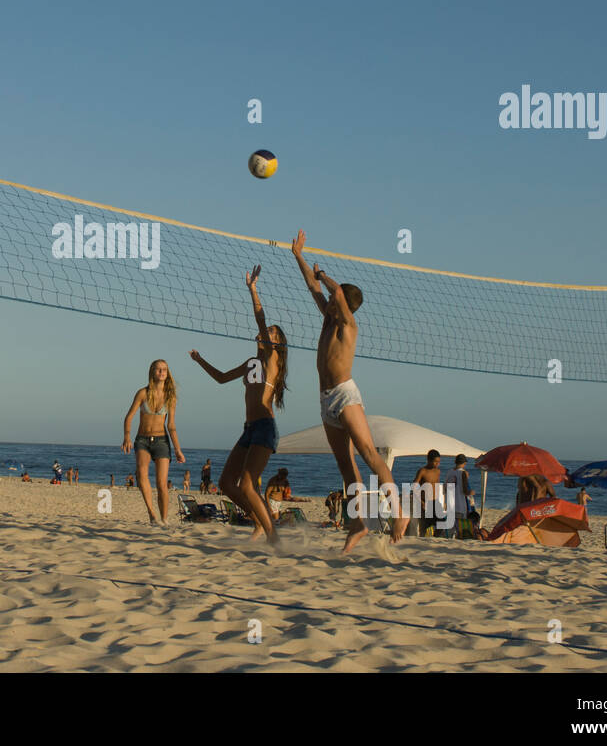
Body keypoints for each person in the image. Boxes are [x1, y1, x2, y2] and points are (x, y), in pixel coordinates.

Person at [290, 229, 407, 550]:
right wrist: (298, 255)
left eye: (331, 300)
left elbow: (335, 294)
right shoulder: (328, 319)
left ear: (342, 305)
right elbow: (313, 288)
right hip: (326, 400)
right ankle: (358, 523)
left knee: (369, 454)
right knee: (346, 466)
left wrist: (325, 274)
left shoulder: (347, 325)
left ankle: (399, 513)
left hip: (345, 394)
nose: (326, 301)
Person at [190, 264, 285, 545]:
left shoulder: (272, 360)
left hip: (265, 428)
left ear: (276, 343)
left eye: (271, 332)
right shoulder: (251, 363)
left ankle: (273, 537)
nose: (266, 332)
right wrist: (200, 360)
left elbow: (260, 319)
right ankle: (258, 522)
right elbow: (220, 378)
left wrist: (253, 290)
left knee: (247, 483)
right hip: (249, 429)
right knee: (226, 483)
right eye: (267, 331)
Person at [122, 359, 186, 525]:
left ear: (167, 373)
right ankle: (152, 515)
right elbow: (129, 417)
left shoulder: (170, 396)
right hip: (142, 440)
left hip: (161, 441)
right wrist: (127, 436)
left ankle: (164, 519)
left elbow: (171, 426)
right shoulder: (143, 393)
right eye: (158, 369)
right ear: (152, 372)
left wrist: (178, 450)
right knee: (142, 473)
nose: (161, 372)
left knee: (161, 483)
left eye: (164, 369)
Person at [412, 450, 443, 537]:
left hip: (435, 502)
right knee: (425, 526)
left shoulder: (437, 471)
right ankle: (423, 543)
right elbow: (414, 487)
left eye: (439, 462)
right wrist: (421, 502)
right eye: (435, 462)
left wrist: (440, 501)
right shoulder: (422, 471)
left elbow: (436, 486)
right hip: (425, 502)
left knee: (441, 523)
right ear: (429, 460)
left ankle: (435, 538)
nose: (437, 464)